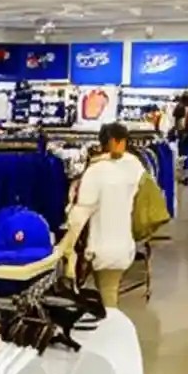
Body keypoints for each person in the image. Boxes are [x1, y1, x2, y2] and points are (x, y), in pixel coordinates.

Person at [62, 122, 145, 307]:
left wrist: (66, 246)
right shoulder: (135, 167)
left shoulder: (96, 172)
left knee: (108, 299)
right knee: (108, 293)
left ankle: (114, 332)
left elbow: (80, 214)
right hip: (125, 244)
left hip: (104, 248)